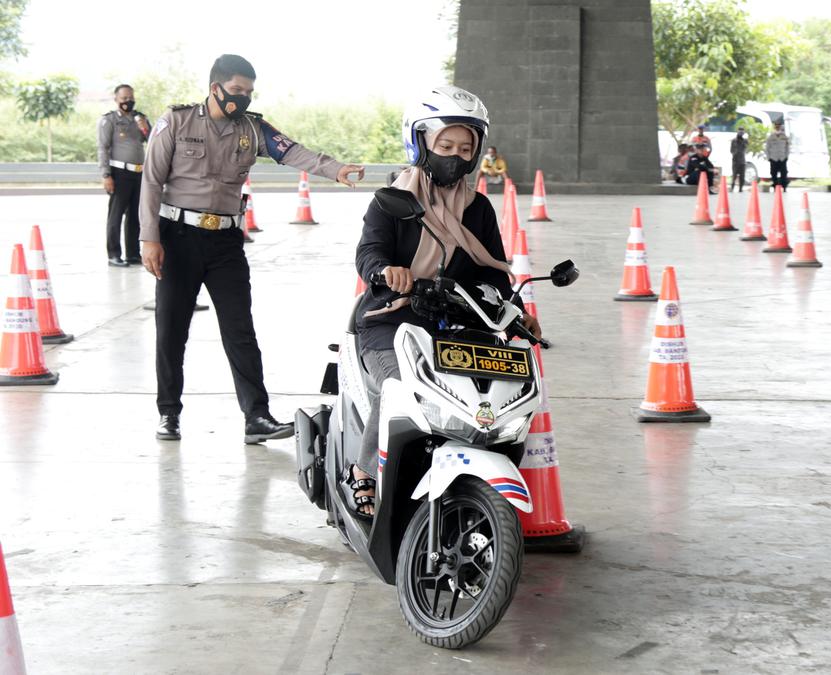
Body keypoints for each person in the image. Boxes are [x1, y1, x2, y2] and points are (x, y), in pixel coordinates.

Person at [139, 54, 365, 442]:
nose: (242, 98)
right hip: (177, 238)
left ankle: (256, 417)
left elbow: (293, 152)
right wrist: (149, 238)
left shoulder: (252, 129)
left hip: (226, 242)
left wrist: (336, 169)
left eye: (248, 92)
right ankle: (169, 413)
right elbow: (151, 180)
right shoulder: (176, 121)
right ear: (215, 88)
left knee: (240, 330)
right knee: (172, 330)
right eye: (236, 90)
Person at [350, 86, 541, 517]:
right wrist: (387, 271)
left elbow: (493, 274)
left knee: (499, 394)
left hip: (458, 322)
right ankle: (364, 470)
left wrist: (516, 313)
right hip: (392, 319)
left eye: (465, 149)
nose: (456, 156)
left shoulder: (478, 208)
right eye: (446, 146)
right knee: (399, 386)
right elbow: (369, 252)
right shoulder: (391, 201)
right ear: (421, 144)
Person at [98, 84, 151, 267]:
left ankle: (133, 254)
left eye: (131, 98)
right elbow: (103, 148)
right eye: (124, 98)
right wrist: (106, 175)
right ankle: (114, 255)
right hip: (119, 173)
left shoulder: (140, 118)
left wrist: (145, 128)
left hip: (138, 173)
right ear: (116, 99)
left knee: (135, 215)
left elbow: (153, 140)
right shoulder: (110, 120)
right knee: (116, 215)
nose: (128, 101)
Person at [766, 120, 790, 191]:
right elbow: (767, 148)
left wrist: (786, 156)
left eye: (779, 125)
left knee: (784, 173)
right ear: (774, 126)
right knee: (773, 173)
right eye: (776, 125)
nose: (777, 126)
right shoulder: (771, 136)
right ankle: (775, 186)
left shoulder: (784, 136)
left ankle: (784, 187)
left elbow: (787, 147)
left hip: (782, 157)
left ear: (780, 126)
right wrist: (769, 157)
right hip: (773, 157)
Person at [730, 127, 748, 192]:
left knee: (742, 176)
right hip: (735, 160)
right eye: (740, 131)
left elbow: (746, 148)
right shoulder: (734, 140)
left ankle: (741, 188)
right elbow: (731, 150)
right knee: (734, 175)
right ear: (737, 132)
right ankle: (732, 187)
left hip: (742, 160)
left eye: (742, 132)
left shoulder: (745, 140)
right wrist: (735, 153)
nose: (741, 133)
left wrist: (743, 141)